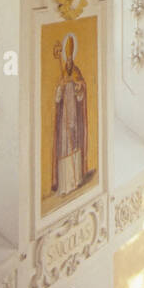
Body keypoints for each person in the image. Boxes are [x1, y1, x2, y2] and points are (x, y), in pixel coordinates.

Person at [51, 34, 90, 196]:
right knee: (65, 145)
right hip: (64, 117)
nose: (68, 61)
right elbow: (57, 97)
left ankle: (76, 179)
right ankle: (65, 184)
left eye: (70, 57)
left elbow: (82, 91)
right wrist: (61, 86)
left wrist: (76, 86)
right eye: (66, 58)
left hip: (74, 114)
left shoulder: (76, 72)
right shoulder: (62, 74)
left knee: (75, 143)